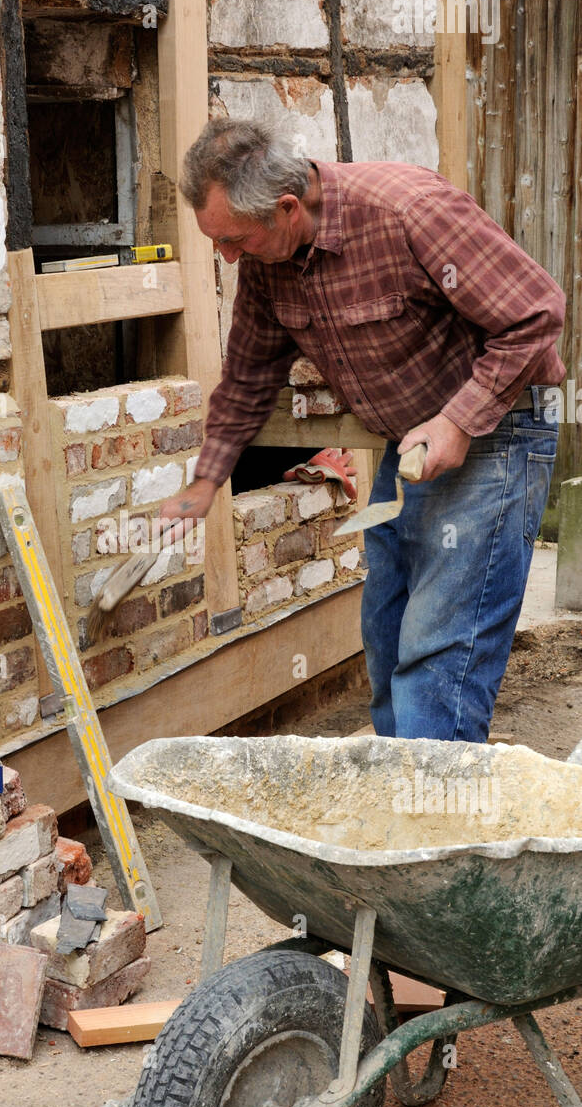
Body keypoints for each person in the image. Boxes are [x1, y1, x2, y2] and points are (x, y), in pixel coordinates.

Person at [159, 118, 565, 743]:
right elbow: (247, 377)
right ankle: (396, 797)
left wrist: (457, 420)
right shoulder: (269, 261)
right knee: (385, 628)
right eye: (217, 241)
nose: (228, 257)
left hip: (496, 431)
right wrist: (205, 480)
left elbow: (537, 312)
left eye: (235, 239)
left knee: (439, 651)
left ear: (287, 207)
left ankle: (431, 825)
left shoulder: (409, 211)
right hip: (408, 447)